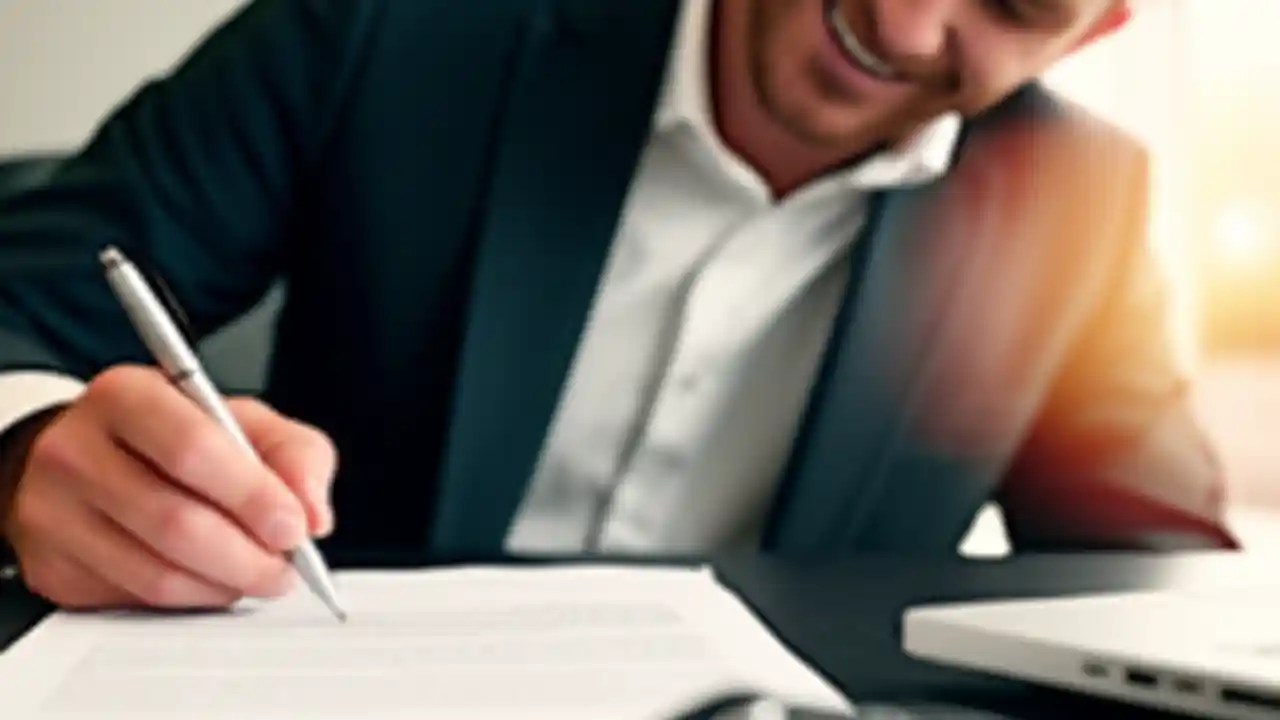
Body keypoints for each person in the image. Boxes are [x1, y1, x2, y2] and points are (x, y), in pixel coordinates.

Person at [0, 0, 1236, 611]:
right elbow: (24, 299)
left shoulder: (1082, 199)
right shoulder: (391, 28)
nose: (904, 22)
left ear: (1091, 30)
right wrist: (24, 450)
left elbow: (1149, 575)